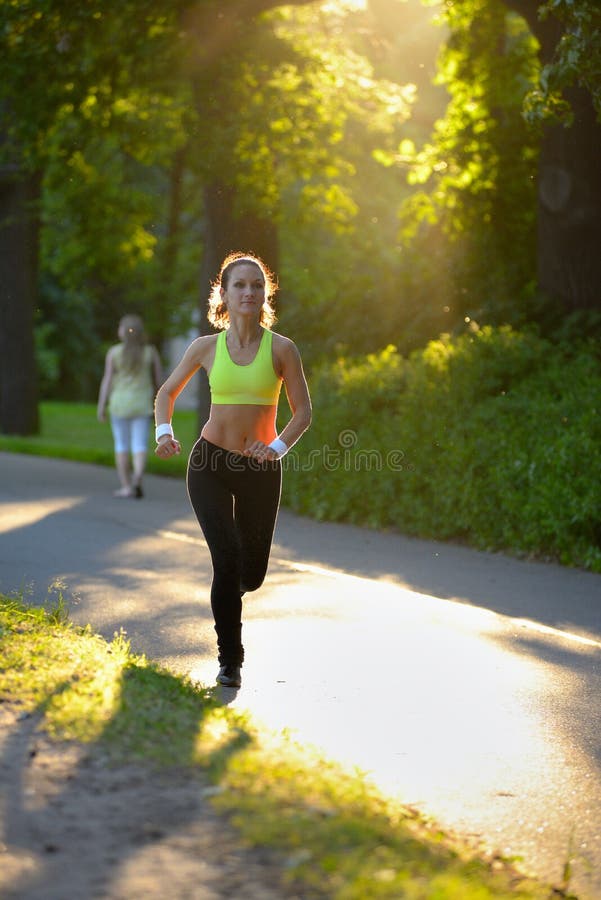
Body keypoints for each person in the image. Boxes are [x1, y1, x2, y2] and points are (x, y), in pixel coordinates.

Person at [154, 252, 312, 688]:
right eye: (240, 285)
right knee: (226, 561)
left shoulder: (282, 349)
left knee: (251, 574)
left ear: (266, 295)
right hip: (209, 464)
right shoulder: (205, 348)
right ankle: (230, 661)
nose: (249, 292)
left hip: (260, 468)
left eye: (257, 286)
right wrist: (163, 433)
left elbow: (303, 413)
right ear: (223, 294)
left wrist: (277, 448)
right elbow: (166, 394)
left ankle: (231, 593)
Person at [97, 314, 163, 498]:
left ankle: (126, 486)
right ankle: (138, 477)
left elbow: (107, 380)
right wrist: (163, 402)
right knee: (139, 444)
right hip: (142, 404)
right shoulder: (150, 352)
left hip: (119, 404)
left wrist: (101, 405)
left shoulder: (114, 353)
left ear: (123, 332)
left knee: (121, 445)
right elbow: (159, 381)